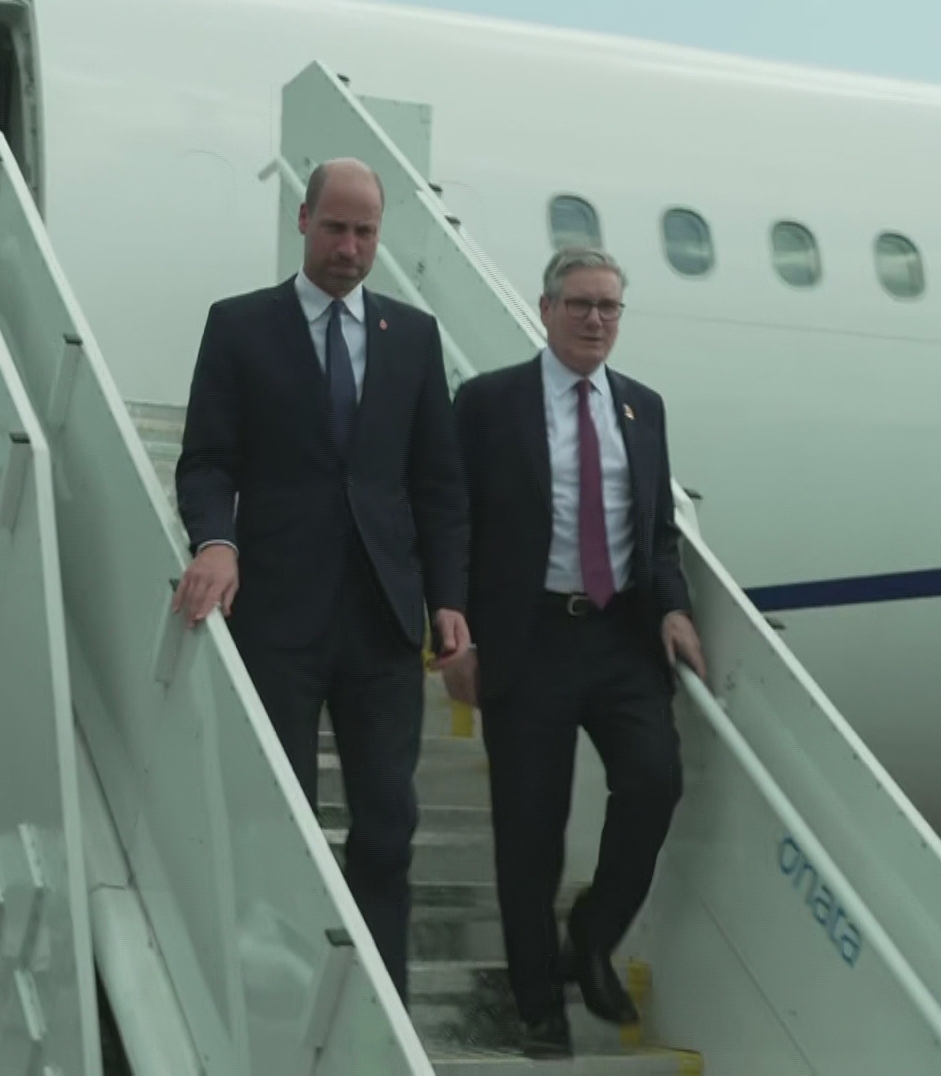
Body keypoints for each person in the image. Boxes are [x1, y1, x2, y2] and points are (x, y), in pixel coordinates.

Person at [171, 157, 471, 1001]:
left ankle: (380, 999)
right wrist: (216, 542)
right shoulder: (239, 327)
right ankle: (280, 990)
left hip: (382, 616)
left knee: (388, 821)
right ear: (303, 220)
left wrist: (448, 598)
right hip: (276, 610)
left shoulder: (411, 338)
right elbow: (206, 462)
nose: (349, 246)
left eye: (365, 232)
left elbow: (439, 486)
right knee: (280, 816)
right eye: (335, 227)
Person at [444, 246, 706, 1058]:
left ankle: (590, 938)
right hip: (529, 641)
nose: (597, 320)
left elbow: (657, 533)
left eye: (610, 308)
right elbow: (452, 520)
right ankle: (537, 1007)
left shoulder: (643, 408)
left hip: (620, 638)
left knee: (655, 782)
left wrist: (674, 610)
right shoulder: (489, 404)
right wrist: (449, 630)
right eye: (582, 304)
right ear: (546, 308)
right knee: (530, 830)